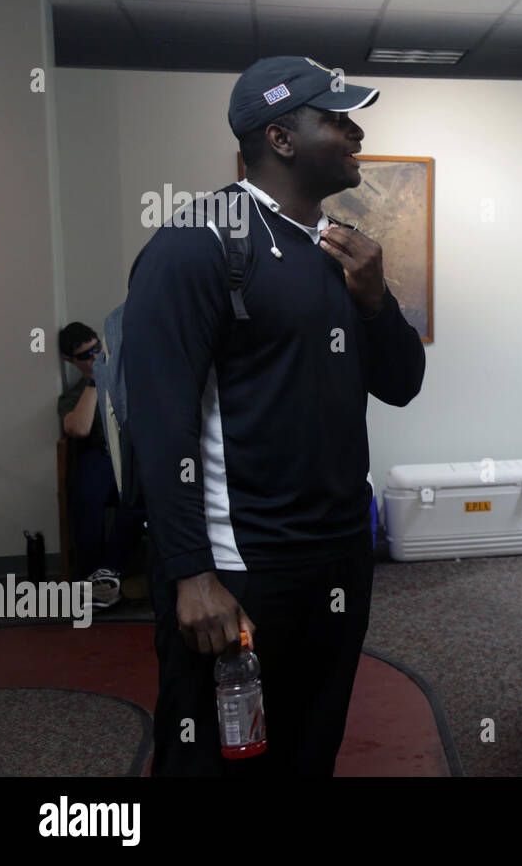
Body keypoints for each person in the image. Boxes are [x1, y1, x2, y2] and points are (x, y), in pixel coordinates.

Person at [122, 56, 425, 776]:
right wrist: (191, 574)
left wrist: (376, 299)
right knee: (218, 761)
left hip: (339, 554)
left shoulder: (341, 251)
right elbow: (160, 428)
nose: (357, 131)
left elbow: (404, 383)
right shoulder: (196, 246)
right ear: (283, 138)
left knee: (306, 750)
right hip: (242, 566)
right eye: (338, 118)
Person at [57, 321, 146, 608]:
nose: (95, 357)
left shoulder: (128, 374)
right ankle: (91, 575)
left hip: (135, 455)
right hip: (104, 458)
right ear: (71, 361)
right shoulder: (77, 392)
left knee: (140, 494)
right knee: (86, 486)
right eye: (86, 355)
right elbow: (78, 429)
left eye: (97, 350)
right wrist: (96, 380)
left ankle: (108, 571)